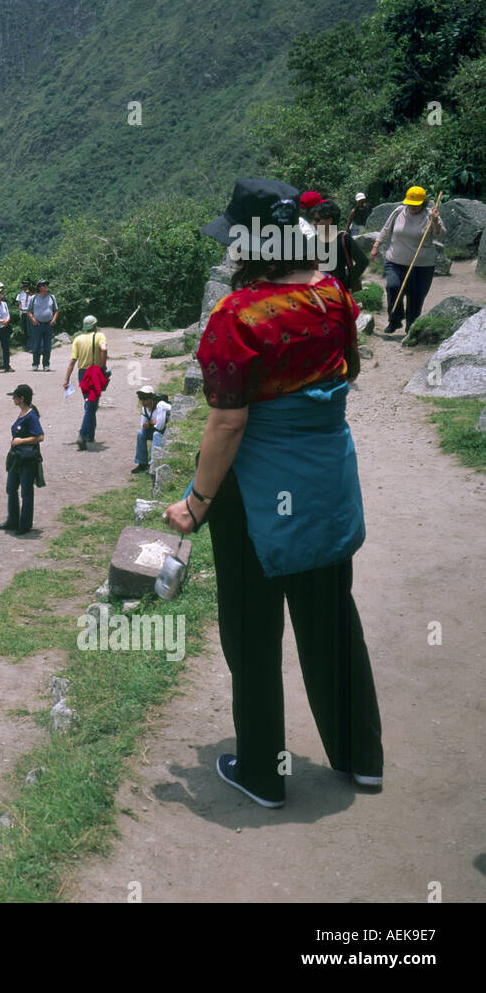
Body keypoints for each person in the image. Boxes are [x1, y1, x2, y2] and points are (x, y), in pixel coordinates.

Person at [164, 176, 381, 809]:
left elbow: (229, 419)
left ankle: (262, 771)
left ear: (253, 247)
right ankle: (360, 756)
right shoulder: (334, 296)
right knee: (331, 618)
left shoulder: (240, 316)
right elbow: (348, 371)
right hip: (326, 481)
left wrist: (196, 502)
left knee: (253, 629)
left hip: (255, 494)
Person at [375, 185, 444, 334]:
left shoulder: (430, 215)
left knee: (416, 297)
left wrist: (436, 221)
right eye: (410, 204)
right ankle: (395, 320)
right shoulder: (399, 211)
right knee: (392, 287)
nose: (412, 207)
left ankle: (411, 328)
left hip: (422, 264)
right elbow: (386, 229)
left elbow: (440, 235)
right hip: (395, 260)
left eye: (416, 205)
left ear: (423, 202)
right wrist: (376, 245)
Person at [0, 384, 44, 533]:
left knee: (26, 491)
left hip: (27, 458)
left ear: (22, 398)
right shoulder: (23, 413)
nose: (13, 399)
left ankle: (25, 524)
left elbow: (40, 436)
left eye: (15, 396)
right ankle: (12, 520)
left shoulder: (31, 416)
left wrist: (21, 441)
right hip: (16, 457)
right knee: (11, 488)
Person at [63, 315, 109, 450]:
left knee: (90, 404)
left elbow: (72, 361)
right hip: (95, 372)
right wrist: (103, 366)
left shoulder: (77, 339)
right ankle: (82, 434)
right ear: (95, 325)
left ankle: (90, 434)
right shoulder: (99, 336)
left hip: (82, 373)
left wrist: (66, 379)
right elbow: (103, 349)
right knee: (91, 405)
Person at [132, 386, 170, 474]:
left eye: (145, 398)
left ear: (152, 398)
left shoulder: (160, 406)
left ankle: (153, 464)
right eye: (140, 398)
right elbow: (143, 425)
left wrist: (151, 423)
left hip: (163, 432)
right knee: (140, 433)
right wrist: (151, 423)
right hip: (153, 430)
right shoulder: (144, 408)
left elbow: (159, 427)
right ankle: (142, 463)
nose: (142, 401)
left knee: (156, 434)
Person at [27, 280, 59, 371]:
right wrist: (33, 319)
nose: (46, 287)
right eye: (44, 285)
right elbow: (29, 311)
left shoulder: (52, 297)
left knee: (47, 345)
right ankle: (35, 364)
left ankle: (46, 364)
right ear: (39, 287)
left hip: (48, 324)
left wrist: (53, 319)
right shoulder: (34, 298)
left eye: (46, 285)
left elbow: (56, 310)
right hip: (37, 324)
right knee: (36, 345)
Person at [14, 280, 34, 352]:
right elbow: (19, 304)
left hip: (30, 313)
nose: (25, 287)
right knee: (25, 330)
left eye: (26, 286)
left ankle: (32, 346)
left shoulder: (32, 294)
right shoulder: (20, 294)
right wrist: (20, 311)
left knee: (31, 329)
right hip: (23, 313)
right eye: (24, 286)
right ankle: (27, 345)